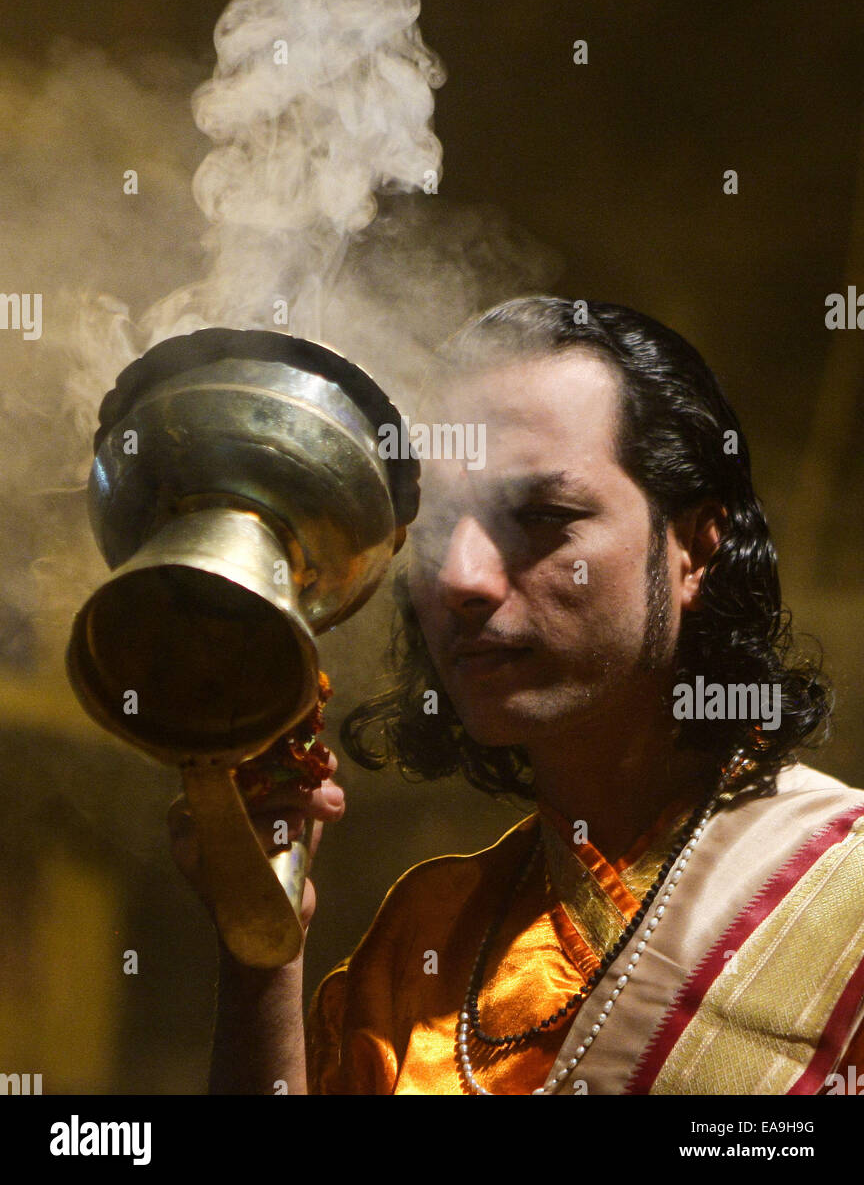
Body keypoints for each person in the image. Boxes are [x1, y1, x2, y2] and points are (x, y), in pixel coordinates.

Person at [169, 297, 864, 1095]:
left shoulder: (843, 895)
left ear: (697, 547)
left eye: (541, 517)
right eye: (432, 529)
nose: (461, 577)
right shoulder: (426, 935)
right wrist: (260, 943)